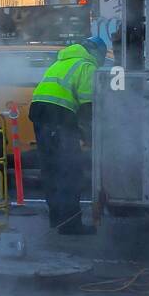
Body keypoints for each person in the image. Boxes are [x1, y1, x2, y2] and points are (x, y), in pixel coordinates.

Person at [28, 37, 107, 235]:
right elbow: (88, 106)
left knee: (51, 169)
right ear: (97, 53)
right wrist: (91, 137)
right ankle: (71, 225)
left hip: (41, 115)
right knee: (69, 171)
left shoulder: (62, 62)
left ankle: (57, 219)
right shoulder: (86, 66)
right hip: (59, 117)